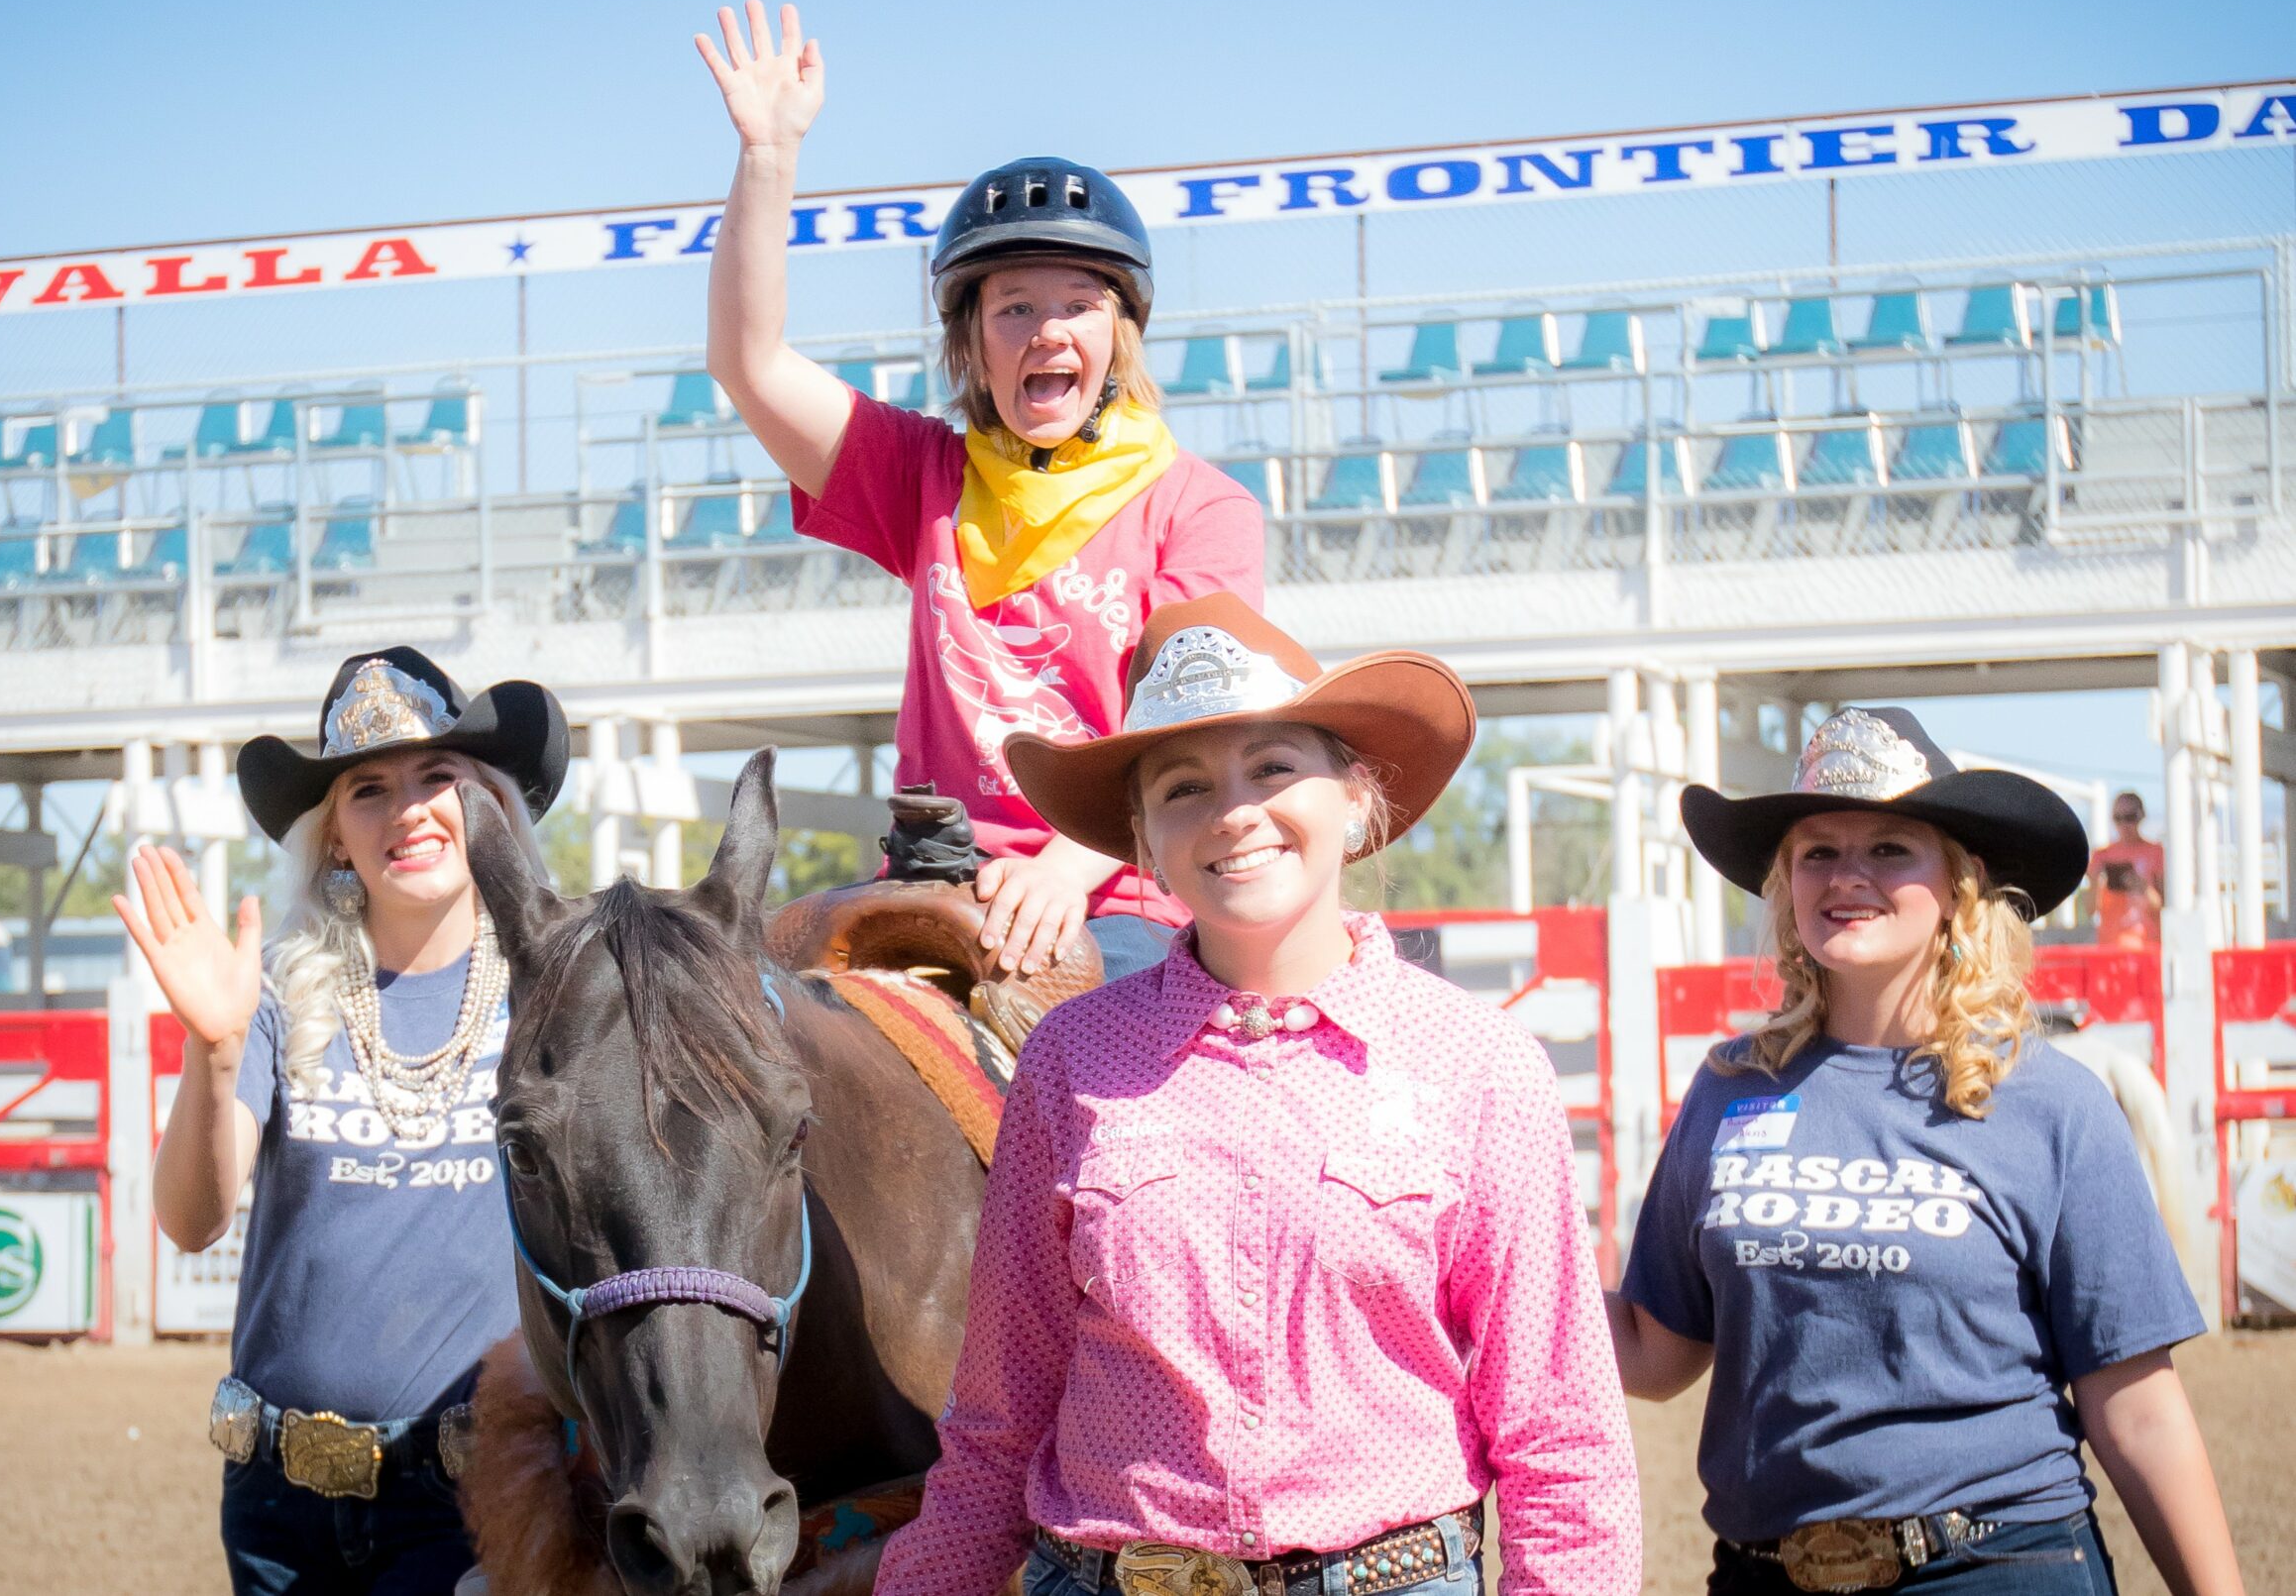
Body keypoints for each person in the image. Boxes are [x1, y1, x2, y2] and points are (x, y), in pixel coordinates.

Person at [873, 593, 1642, 1596]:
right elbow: (998, 1418)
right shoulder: (1070, 1060)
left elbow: (1560, 1432)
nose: (1234, 812)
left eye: (1274, 767)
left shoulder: (1479, 1065)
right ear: (1144, 839)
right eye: (1185, 786)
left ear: (1355, 798)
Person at [694, 0, 1266, 984]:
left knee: (1102, 1049)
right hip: (925, 880)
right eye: (1015, 307)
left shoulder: (1201, 508)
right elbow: (748, 363)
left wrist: (1064, 868)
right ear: (972, 343)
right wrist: (768, 156)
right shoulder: (921, 474)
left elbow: (1191, 723)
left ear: (1119, 334)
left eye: (1078, 304)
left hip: (1115, 889)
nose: (1049, 330)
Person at [1610, 707, 2242, 1595]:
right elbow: (1656, 1351)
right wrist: (1473, 1283)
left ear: (1960, 883)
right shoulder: (1728, 1089)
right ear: (1786, 882)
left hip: (1992, 1564)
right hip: (1763, 1573)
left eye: (1889, 849)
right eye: (1818, 852)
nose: (1847, 876)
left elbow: (2137, 1410)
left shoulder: (2052, 1105)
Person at [116, 646, 568, 1595]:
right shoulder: (276, 994)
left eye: (436, 777)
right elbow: (191, 1222)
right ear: (333, 839)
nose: (408, 810)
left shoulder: (557, 995)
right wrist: (216, 1051)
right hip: (277, 1507)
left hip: (469, 1495)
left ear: (488, 802)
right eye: (369, 790)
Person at [2088, 791, 2164, 951]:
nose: (2124, 824)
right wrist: (2094, 879)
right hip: (2111, 946)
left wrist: (2143, 888)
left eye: (2130, 817)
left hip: (2148, 946)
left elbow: (2164, 906)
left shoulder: (2156, 852)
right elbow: (2090, 910)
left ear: (2141, 817)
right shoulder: (2102, 855)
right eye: (2118, 818)